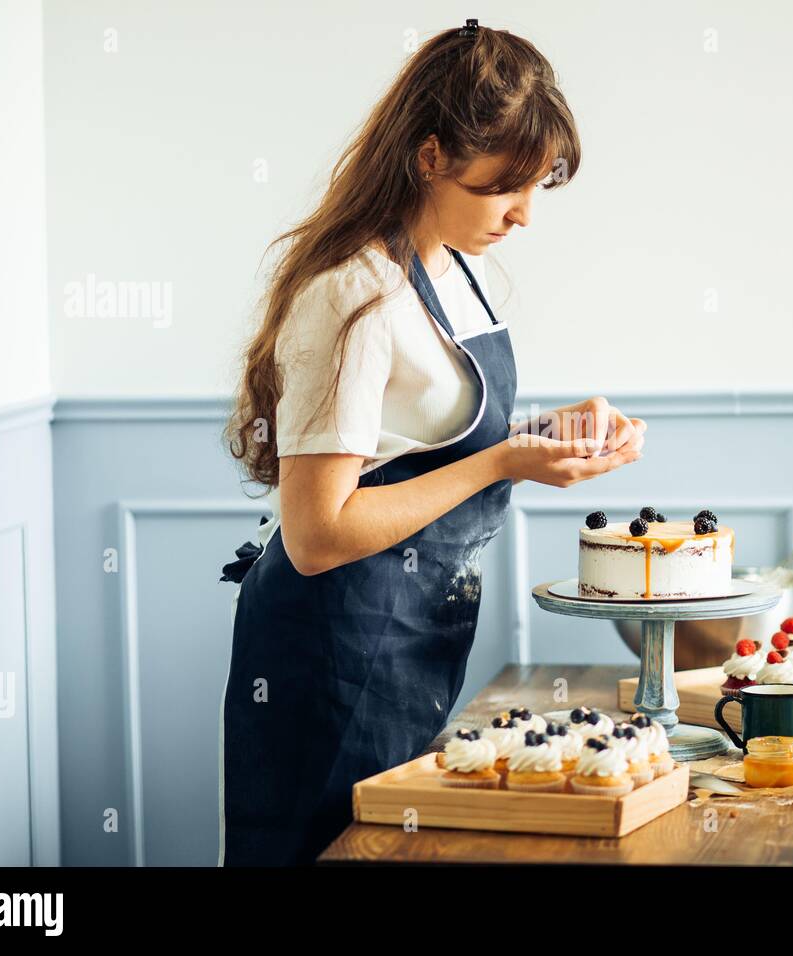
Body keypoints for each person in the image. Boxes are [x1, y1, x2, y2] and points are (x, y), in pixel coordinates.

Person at [216, 20, 644, 866]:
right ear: (430, 157)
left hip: (411, 634)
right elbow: (314, 535)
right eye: (502, 188)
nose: (523, 214)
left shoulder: (452, 265)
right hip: (331, 648)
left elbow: (415, 438)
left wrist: (548, 433)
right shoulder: (354, 295)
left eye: (535, 189)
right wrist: (503, 461)